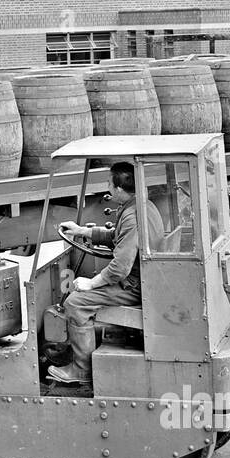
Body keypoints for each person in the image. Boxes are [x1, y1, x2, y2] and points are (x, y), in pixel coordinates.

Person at [48, 161, 143, 391]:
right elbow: (115, 236)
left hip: (134, 286)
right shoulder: (138, 206)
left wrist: (92, 283)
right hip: (139, 279)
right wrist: (82, 231)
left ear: (119, 189)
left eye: (109, 183)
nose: (107, 187)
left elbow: (120, 268)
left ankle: (82, 371)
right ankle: (78, 348)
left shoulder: (131, 216)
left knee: (75, 303)